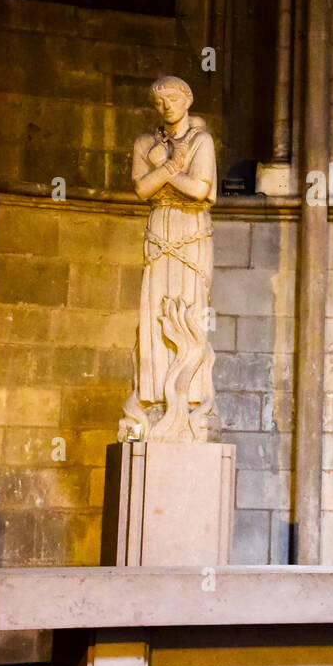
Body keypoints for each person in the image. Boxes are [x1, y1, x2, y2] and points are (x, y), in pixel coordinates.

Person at [119, 76, 218, 443]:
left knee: (189, 312)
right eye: (159, 103)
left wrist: (167, 170)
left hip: (192, 229)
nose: (167, 107)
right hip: (160, 226)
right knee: (154, 313)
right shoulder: (145, 143)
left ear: (187, 100)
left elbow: (200, 189)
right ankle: (154, 400)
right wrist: (172, 167)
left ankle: (190, 401)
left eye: (173, 99)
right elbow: (143, 188)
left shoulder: (202, 141)